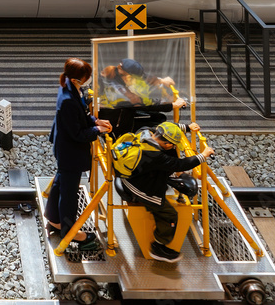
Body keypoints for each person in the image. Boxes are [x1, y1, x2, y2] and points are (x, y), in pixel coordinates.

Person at [45, 57, 113, 254]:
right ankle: (70, 231)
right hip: (70, 151)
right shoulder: (67, 101)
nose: (89, 80)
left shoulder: (69, 87)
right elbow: (76, 133)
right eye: (86, 77)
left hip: (65, 149)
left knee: (61, 183)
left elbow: (81, 116)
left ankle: (54, 219)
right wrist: (97, 131)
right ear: (77, 79)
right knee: (69, 194)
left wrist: (96, 121)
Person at [122, 121, 214, 263]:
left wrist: (187, 127)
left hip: (130, 175)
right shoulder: (154, 155)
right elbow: (179, 164)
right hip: (137, 187)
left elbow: (162, 126)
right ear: (167, 144)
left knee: (167, 170)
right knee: (169, 214)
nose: (172, 147)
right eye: (172, 144)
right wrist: (203, 155)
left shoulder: (145, 131)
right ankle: (158, 247)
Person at [97, 58, 187, 137]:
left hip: (125, 113)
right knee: (156, 122)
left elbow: (143, 76)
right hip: (114, 125)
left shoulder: (117, 72)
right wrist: (172, 105)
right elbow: (142, 103)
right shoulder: (116, 88)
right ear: (128, 76)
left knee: (159, 117)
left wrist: (161, 81)